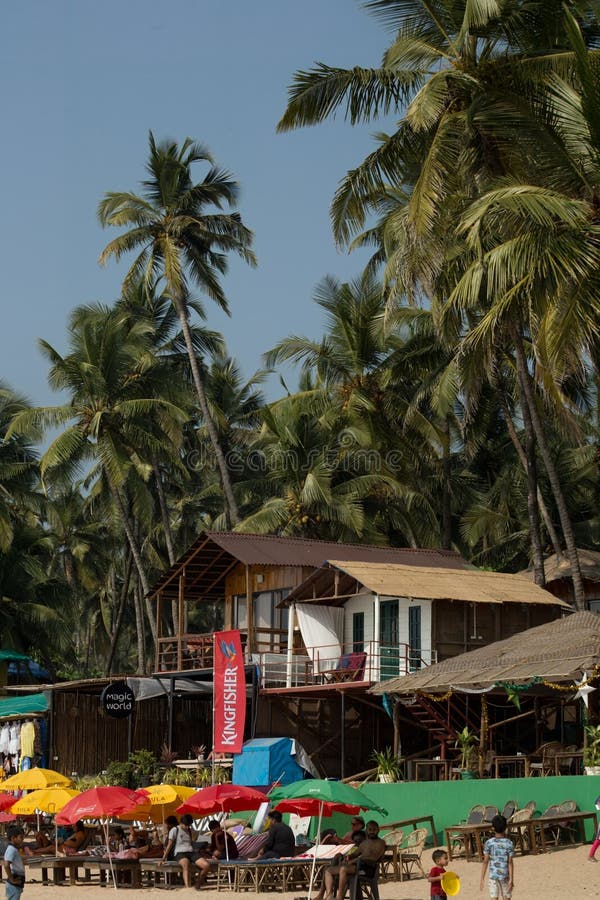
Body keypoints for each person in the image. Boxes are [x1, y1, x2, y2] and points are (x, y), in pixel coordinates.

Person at [330, 821, 386, 900]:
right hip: (359, 866)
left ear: (378, 830)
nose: (372, 831)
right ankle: (329, 895)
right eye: (370, 829)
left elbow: (370, 857)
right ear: (366, 831)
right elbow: (354, 854)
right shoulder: (364, 843)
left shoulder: (381, 842)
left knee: (344, 870)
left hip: (369, 869)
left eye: (374, 829)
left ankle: (339, 897)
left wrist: (353, 861)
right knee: (332, 868)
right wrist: (346, 857)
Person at [314, 829, 365, 900]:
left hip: (353, 867)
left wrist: (349, 860)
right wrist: (342, 856)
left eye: (359, 841)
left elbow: (360, 858)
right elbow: (349, 856)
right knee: (327, 868)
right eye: (355, 841)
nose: (356, 843)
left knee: (342, 869)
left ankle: (339, 896)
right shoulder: (352, 848)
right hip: (345, 865)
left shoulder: (363, 848)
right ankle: (327, 894)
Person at [195, 819, 239, 886]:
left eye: (215, 829)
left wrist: (216, 837)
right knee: (203, 853)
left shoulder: (224, 835)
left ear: (218, 827)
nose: (214, 831)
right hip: (221, 853)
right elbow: (212, 847)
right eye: (212, 830)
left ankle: (214, 858)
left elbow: (220, 848)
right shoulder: (213, 835)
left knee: (216, 853)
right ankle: (203, 878)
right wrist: (207, 850)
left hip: (230, 854)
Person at [480, 814, 515, 899]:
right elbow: (510, 863)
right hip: (505, 877)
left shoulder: (489, 843)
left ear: (492, 828)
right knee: (506, 897)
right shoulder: (509, 843)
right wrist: (511, 879)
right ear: (506, 828)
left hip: (493, 877)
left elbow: (485, 862)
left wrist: (482, 878)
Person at [160, 813, 196, 888]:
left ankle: (182, 882)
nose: (187, 827)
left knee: (188, 865)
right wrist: (163, 858)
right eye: (187, 825)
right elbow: (169, 845)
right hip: (177, 854)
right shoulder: (174, 830)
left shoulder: (186, 830)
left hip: (183, 853)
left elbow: (192, 841)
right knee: (186, 865)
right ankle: (185, 884)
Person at [3, 825, 26, 900]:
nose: (22, 839)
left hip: (18, 881)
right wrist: (11, 879)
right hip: (14, 881)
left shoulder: (14, 849)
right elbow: (6, 865)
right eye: (20, 837)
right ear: (13, 838)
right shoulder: (11, 849)